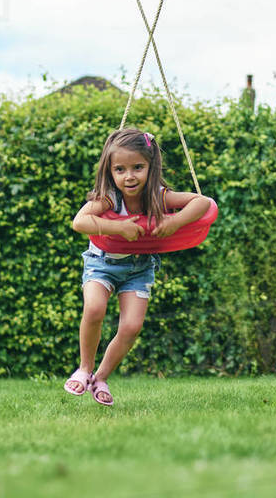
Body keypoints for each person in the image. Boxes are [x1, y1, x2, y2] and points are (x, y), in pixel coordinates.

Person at [66, 127, 211, 406]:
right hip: (102, 264)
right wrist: (118, 227)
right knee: (94, 309)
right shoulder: (109, 197)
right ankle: (84, 369)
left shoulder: (158, 196)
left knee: (132, 326)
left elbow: (202, 202)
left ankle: (101, 378)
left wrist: (174, 221)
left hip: (139, 268)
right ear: (110, 171)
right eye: (120, 169)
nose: (129, 176)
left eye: (137, 168)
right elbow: (80, 221)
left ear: (150, 167)